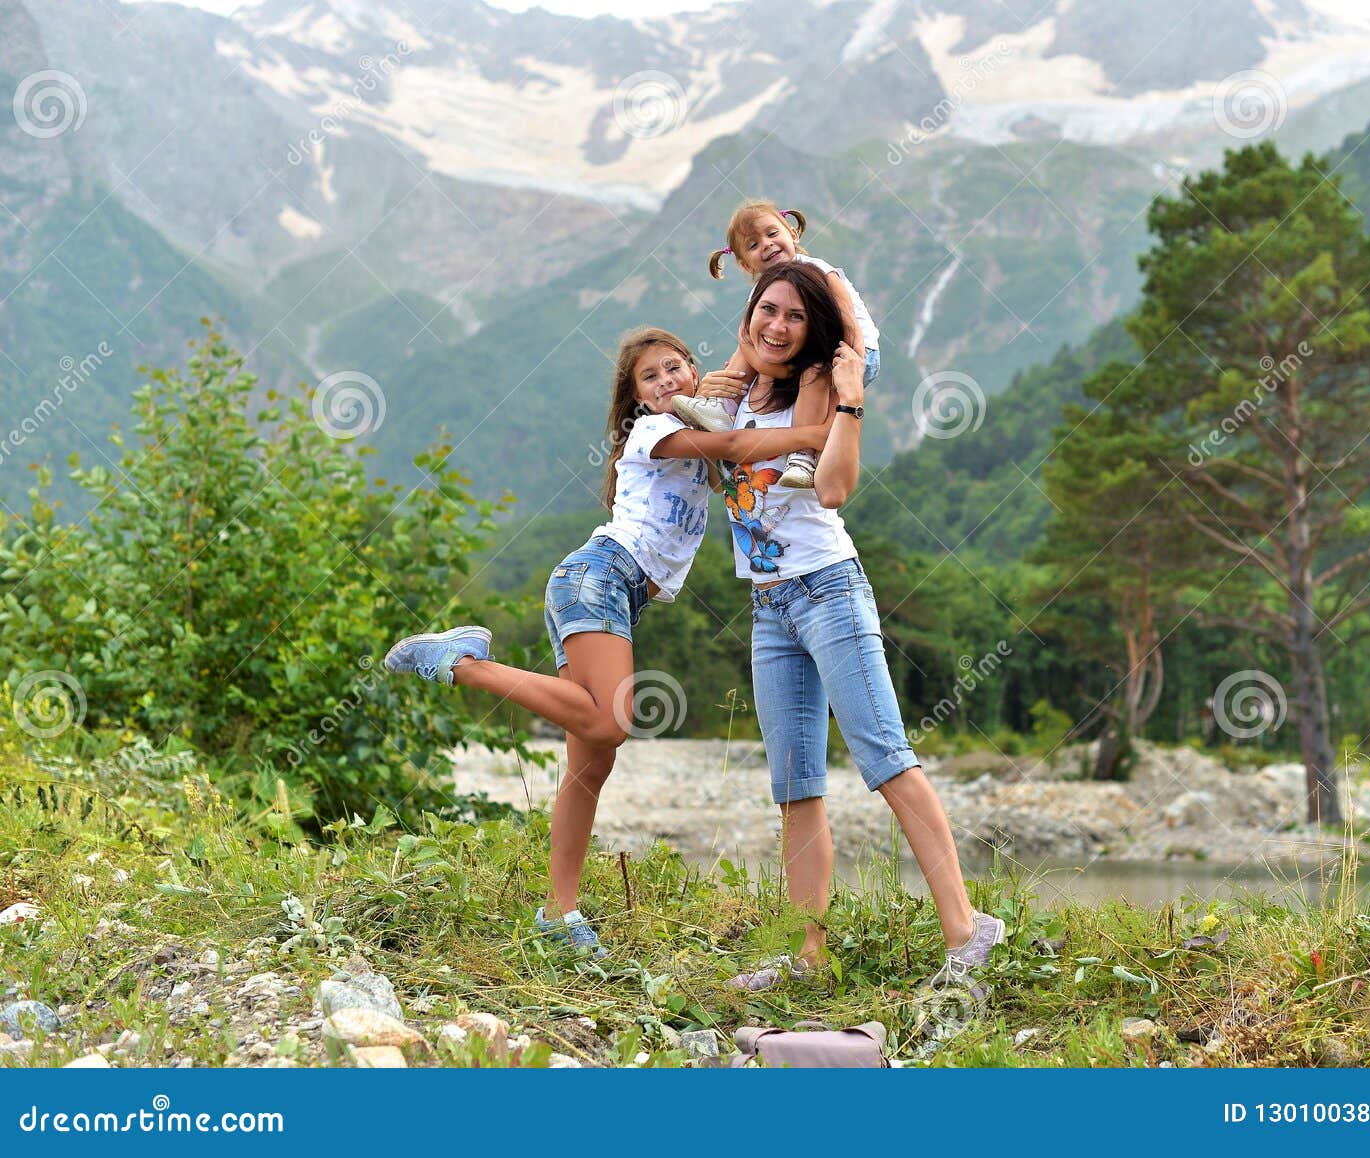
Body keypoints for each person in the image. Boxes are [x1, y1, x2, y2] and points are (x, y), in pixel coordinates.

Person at [382, 327, 826, 959]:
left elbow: (743, 382)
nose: (668, 380)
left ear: (696, 372)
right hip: (596, 579)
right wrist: (812, 436)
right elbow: (729, 441)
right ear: (638, 400)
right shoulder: (653, 435)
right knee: (611, 724)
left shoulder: (698, 418)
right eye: (652, 377)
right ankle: (462, 665)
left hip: (611, 593)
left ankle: (557, 915)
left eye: (677, 368)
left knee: (591, 765)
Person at [693, 261, 1003, 992]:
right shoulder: (731, 398)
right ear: (748, 316)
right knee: (795, 786)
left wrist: (853, 401)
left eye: (795, 317)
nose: (776, 325)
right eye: (766, 309)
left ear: (815, 333)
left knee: (885, 757)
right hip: (767, 605)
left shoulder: (823, 394)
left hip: (829, 590)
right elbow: (709, 473)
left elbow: (831, 490)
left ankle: (967, 931)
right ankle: (807, 957)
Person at [675, 199, 879, 490]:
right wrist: (765, 371)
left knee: (814, 373)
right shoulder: (763, 290)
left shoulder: (818, 270)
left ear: (792, 234)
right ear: (746, 263)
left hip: (855, 354)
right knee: (751, 346)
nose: (767, 245)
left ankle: (802, 456)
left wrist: (851, 372)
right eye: (754, 245)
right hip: (807, 355)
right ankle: (723, 407)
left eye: (772, 234)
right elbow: (746, 341)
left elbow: (849, 325)